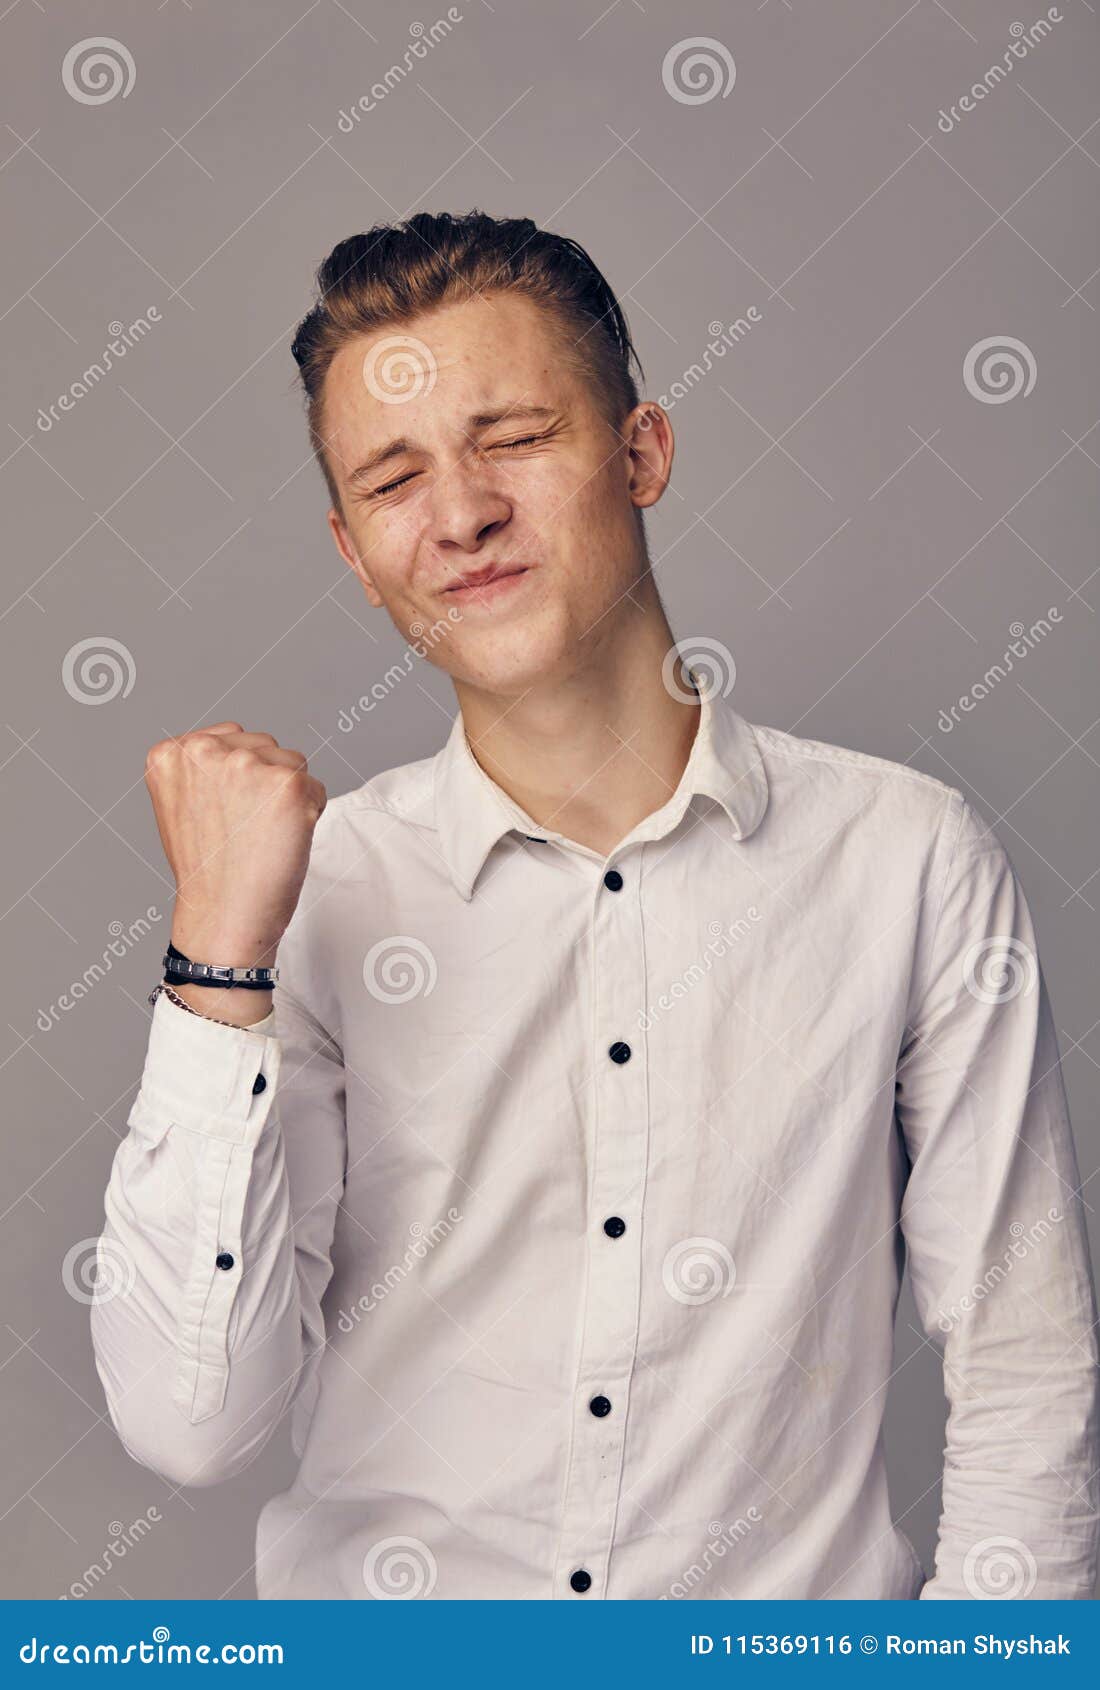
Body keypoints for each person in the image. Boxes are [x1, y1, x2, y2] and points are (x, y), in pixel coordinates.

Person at [90, 211, 1099, 1601]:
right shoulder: (310, 898)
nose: (461, 515)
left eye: (513, 437)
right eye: (394, 479)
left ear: (642, 453)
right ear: (354, 550)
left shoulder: (906, 860)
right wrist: (217, 955)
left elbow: (1025, 1367)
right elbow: (192, 1425)